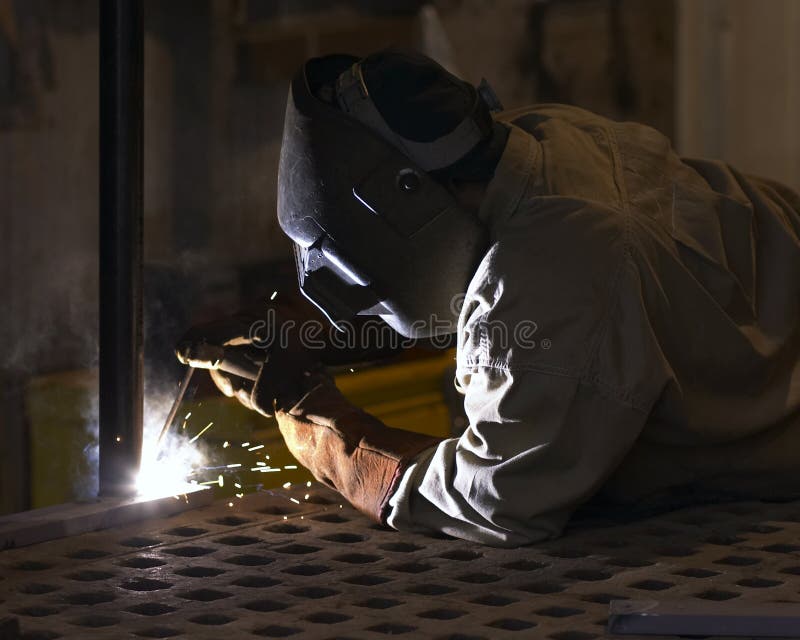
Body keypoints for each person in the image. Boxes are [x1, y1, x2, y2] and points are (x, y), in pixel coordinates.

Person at [177, 49, 800, 547]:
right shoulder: (537, 141)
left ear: (406, 193)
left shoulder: (560, 260)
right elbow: (480, 293)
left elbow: (494, 501)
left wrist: (310, 412)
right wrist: (335, 336)